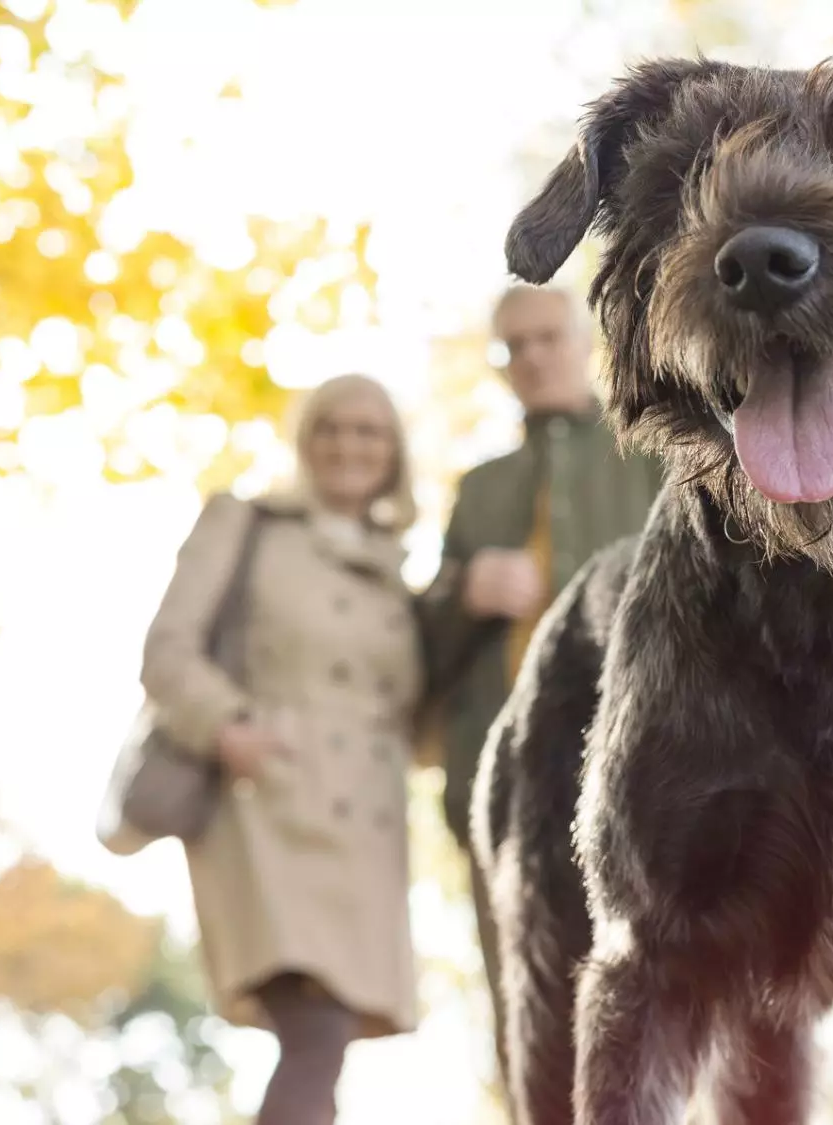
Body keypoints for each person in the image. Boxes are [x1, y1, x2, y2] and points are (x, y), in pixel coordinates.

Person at [140, 374, 422, 1125]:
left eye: (369, 431)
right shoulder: (245, 522)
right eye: (332, 426)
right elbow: (166, 651)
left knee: (325, 1038)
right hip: (267, 804)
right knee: (313, 1029)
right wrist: (227, 725)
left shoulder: (397, 569)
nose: (348, 445)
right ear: (306, 439)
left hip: (364, 831)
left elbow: (412, 715)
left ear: (393, 452)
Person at [416, 284, 665, 1085]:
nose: (532, 357)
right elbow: (420, 653)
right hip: (510, 792)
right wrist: (462, 591)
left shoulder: (654, 449)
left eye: (546, 338)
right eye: (513, 346)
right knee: (529, 1023)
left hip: (653, 780)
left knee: (670, 1009)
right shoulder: (479, 489)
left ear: (583, 340)